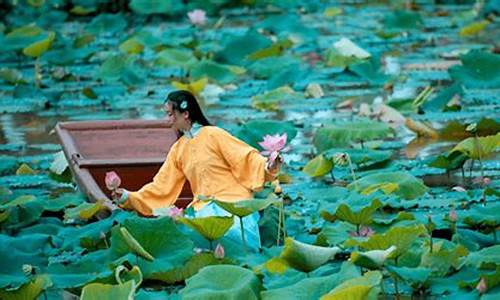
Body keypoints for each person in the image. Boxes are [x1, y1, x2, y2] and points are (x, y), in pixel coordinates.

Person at [113, 90, 282, 249]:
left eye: (170, 114)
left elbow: (245, 157)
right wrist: (128, 197)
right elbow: (161, 186)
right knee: (186, 242)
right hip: (202, 209)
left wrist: (268, 166)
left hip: (234, 205)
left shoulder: (213, 134)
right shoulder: (178, 149)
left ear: (185, 114)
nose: (167, 120)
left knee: (236, 240)